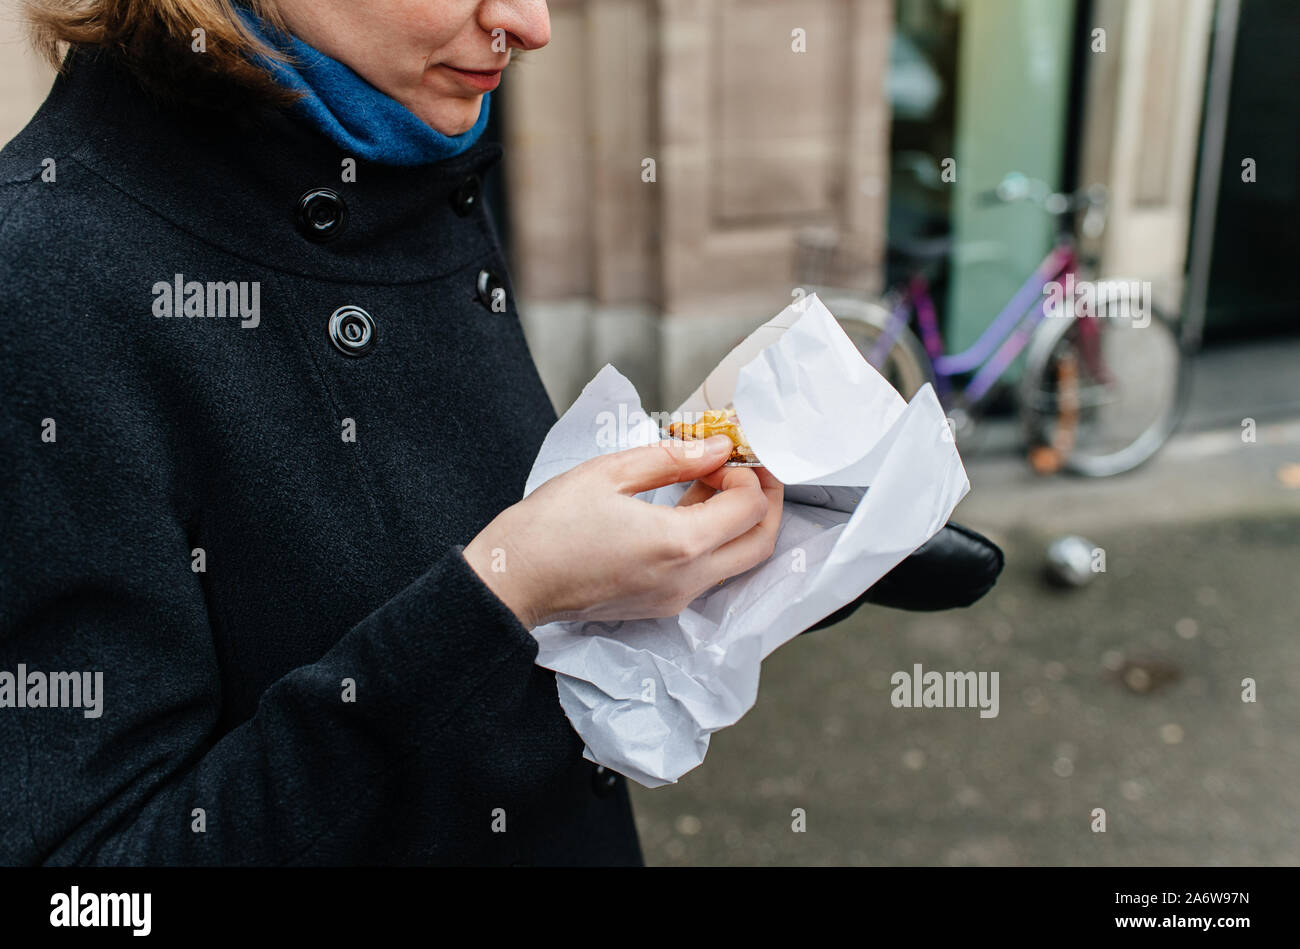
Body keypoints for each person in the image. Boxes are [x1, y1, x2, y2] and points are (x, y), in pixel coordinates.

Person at [0, 0, 1000, 865]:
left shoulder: (396, 156)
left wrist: (717, 553)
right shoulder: (39, 283)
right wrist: (508, 591)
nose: (534, 25)